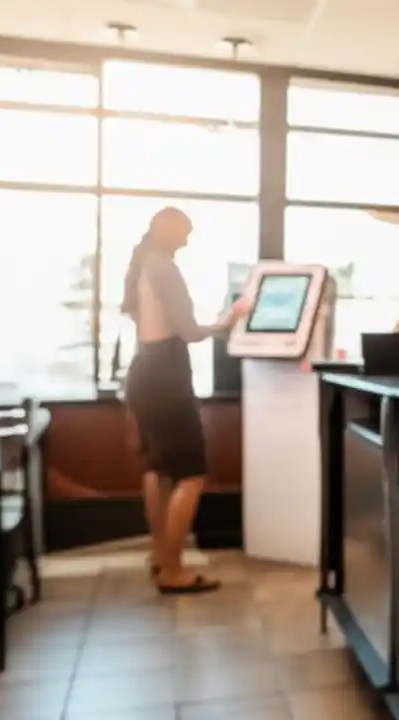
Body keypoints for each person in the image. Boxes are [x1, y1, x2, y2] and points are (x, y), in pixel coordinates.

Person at [122, 206, 250, 594]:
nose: (189, 238)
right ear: (168, 228)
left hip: (144, 369)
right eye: (186, 231)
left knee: (158, 469)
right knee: (192, 473)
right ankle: (175, 570)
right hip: (167, 377)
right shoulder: (164, 267)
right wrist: (230, 318)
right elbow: (190, 331)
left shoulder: (142, 264)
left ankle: (160, 556)